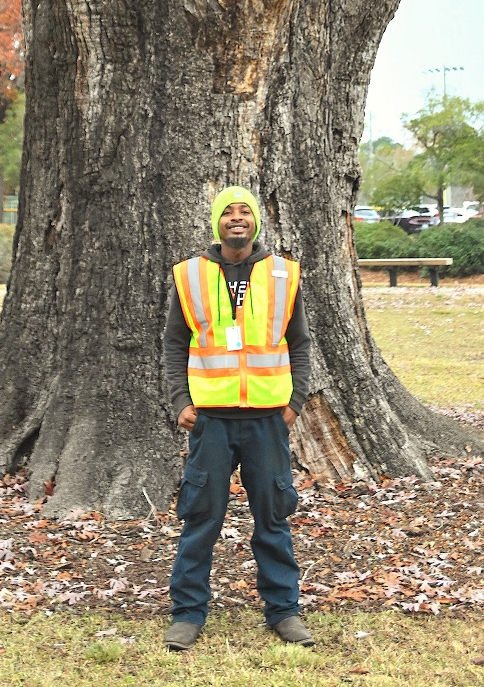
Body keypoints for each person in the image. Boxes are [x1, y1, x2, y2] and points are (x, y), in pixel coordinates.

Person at [162, 185, 314, 650]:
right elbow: (173, 343)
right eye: (227, 212)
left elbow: (300, 343)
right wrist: (179, 401)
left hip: (269, 419)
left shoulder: (284, 274)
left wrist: (295, 404)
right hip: (210, 420)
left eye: (244, 211)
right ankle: (187, 614)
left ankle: (284, 610)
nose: (236, 218)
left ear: (256, 222)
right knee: (201, 517)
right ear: (216, 223)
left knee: (273, 516)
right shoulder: (190, 276)